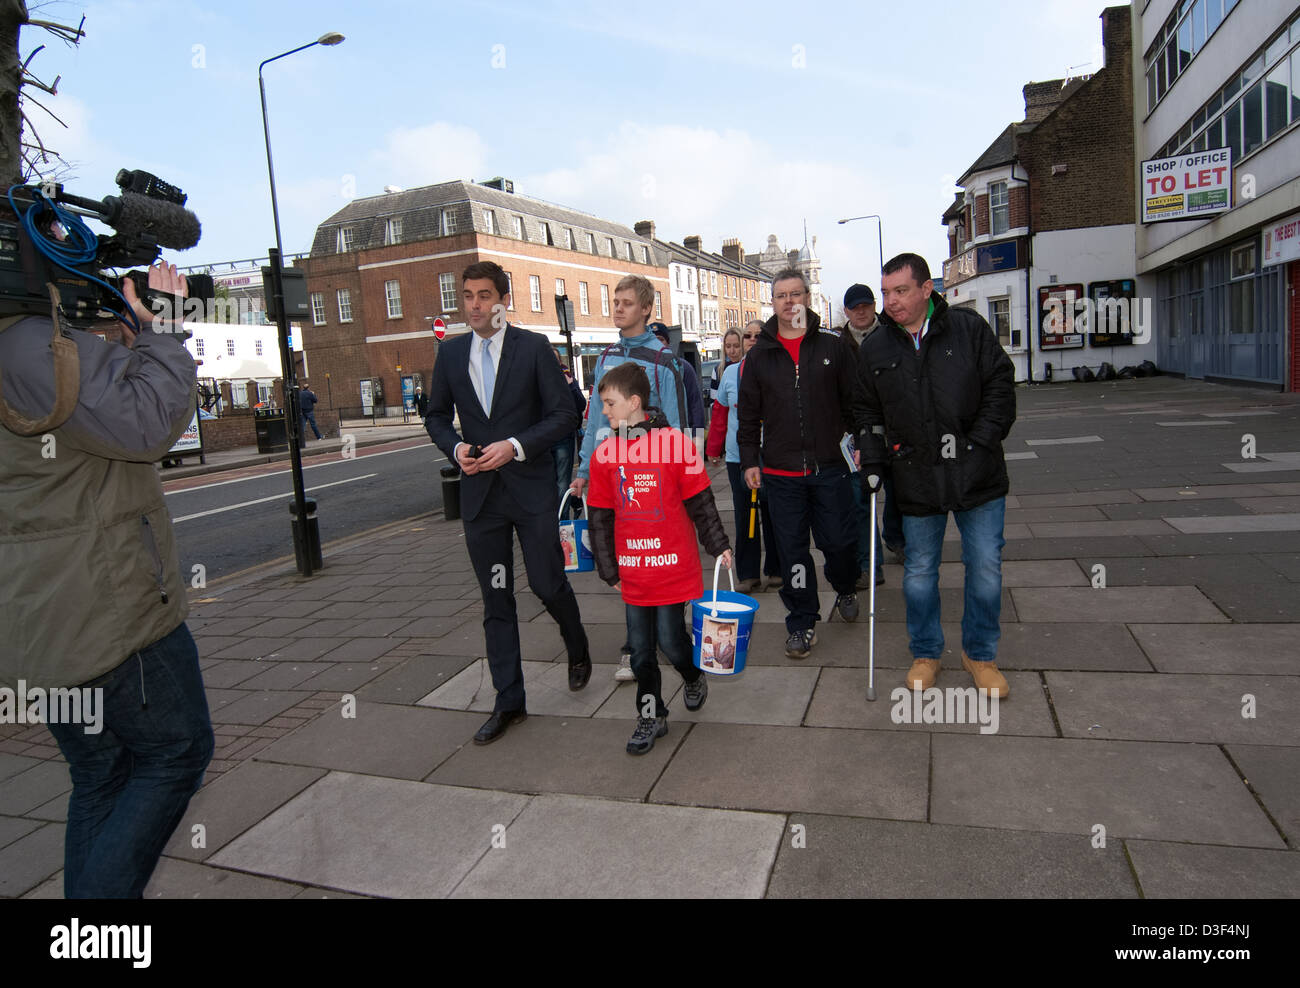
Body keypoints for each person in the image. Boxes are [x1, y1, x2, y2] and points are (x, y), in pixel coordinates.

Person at [0, 261, 214, 898]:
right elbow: (146, 426)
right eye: (55, 236)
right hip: (109, 611)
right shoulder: (31, 345)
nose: (70, 255)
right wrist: (167, 328)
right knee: (175, 754)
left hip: (43, 618)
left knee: (101, 774)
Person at [425, 261, 592, 744]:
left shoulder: (533, 348)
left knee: (546, 583)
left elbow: (567, 412)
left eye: (483, 296)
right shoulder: (452, 354)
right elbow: (436, 416)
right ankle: (509, 701)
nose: (474, 305)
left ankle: (575, 641)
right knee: (495, 602)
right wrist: (456, 449)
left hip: (531, 489)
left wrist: (516, 445)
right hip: (481, 496)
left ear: (502, 301)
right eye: (468, 295)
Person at [854, 253, 1016, 698]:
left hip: (976, 474)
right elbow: (866, 411)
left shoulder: (968, 330)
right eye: (886, 293)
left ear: (927, 289)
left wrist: (979, 441)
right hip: (915, 477)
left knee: (984, 567)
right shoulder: (876, 348)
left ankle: (979, 654)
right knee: (919, 572)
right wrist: (873, 460)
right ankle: (925, 652)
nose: (891, 302)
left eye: (901, 291)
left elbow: (1001, 384)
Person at [586, 362, 731, 754]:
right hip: (633, 573)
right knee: (640, 651)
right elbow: (598, 518)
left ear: (634, 402)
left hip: (672, 567)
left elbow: (701, 503)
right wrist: (607, 568)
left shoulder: (675, 445)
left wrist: (719, 546)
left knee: (671, 640)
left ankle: (693, 675)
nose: (605, 411)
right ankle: (651, 715)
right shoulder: (604, 454)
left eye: (609, 403)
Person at [570, 275, 689, 683]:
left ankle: (670, 634)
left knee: (658, 558)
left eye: (626, 302)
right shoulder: (604, 358)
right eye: (614, 302)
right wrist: (584, 470)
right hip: (613, 478)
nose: (617, 308)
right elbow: (592, 421)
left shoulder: (664, 362)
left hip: (653, 481)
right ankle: (635, 645)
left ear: (646, 310)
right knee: (628, 560)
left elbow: (677, 428)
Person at [737, 268, 860, 659]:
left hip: (830, 469)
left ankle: (844, 585)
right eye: (780, 296)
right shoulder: (758, 357)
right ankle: (802, 621)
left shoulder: (833, 346)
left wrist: (862, 446)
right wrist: (749, 461)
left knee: (838, 544)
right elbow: (747, 416)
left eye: (795, 294)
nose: (788, 302)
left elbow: (855, 404)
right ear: (771, 303)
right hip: (781, 473)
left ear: (807, 298)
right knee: (793, 553)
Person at [706, 319, 781, 593]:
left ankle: (776, 568)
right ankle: (748, 573)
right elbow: (720, 414)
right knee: (745, 515)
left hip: (772, 454)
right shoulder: (730, 373)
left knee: (773, 512)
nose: (752, 340)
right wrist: (713, 448)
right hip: (739, 456)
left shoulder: (778, 370)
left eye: (758, 335)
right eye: (747, 335)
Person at [839, 283, 906, 588]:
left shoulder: (894, 335)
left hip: (897, 429)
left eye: (866, 305)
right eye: (855, 307)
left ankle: (895, 537)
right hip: (857, 436)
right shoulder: (839, 346)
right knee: (861, 501)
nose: (861, 311)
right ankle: (871, 565)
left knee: (900, 495)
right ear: (847, 311)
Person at [649, 322, 705, 432]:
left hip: (680, 432)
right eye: (652, 340)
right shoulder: (643, 369)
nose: (656, 344)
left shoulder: (683, 367)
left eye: (660, 339)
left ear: (668, 343)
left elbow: (695, 404)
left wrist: (697, 436)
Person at [551, 353, 586, 517]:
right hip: (540, 440)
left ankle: (562, 526)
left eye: (555, 358)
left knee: (562, 482)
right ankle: (574, 502)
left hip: (563, 436)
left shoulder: (567, 377)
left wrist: (570, 386)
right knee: (549, 483)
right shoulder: (534, 377)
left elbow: (581, 404)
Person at [709, 328, 742, 405]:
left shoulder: (750, 368)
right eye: (728, 346)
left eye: (736, 346)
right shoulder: (718, 370)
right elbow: (714, 403)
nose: (732, 351)